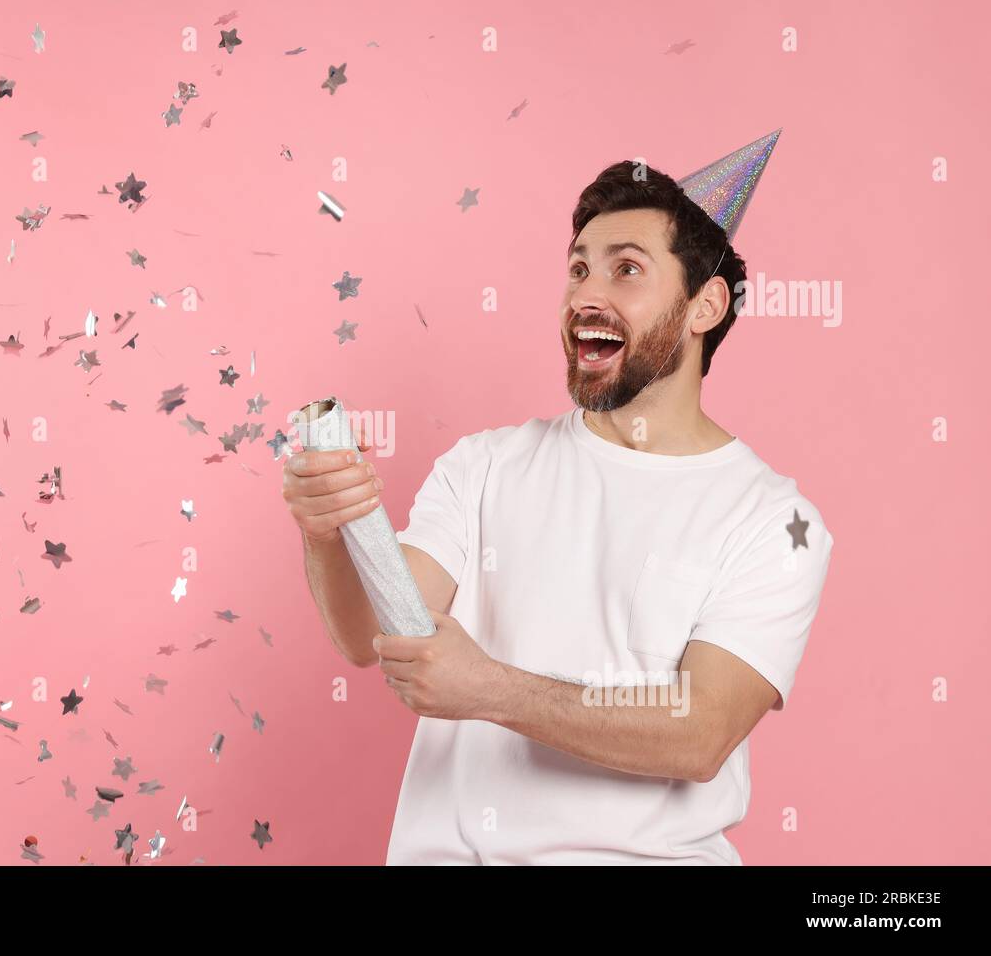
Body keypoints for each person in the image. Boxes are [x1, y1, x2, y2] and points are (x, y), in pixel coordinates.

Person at [282, 132, 834, 864]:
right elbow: (370, 633)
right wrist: (325, 530)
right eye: (578, 269)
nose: (585, 296)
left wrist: (492, 689)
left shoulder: (774, 521)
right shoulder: (484, 466)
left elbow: (698, 733)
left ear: (704, 306)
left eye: (626, 269)